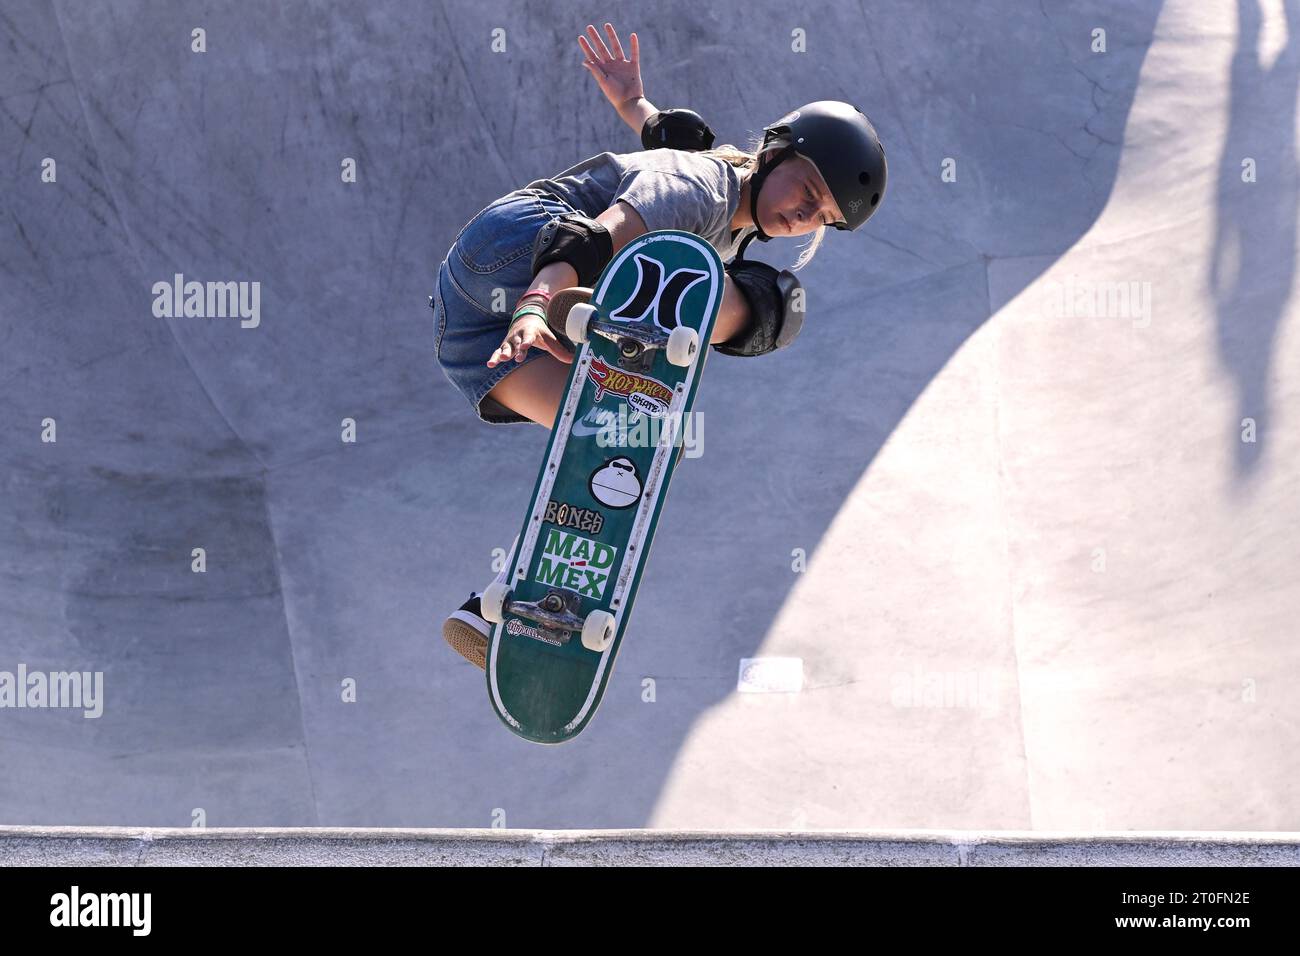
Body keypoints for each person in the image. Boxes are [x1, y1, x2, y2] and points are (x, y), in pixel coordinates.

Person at [438, 23, 888, 669]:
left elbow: (670, 140)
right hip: (515, 249)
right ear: (777, 152)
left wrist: (632, 105)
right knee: (768, 303)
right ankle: (597, 319)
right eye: (806, 193)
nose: (803, 216)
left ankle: (496, 603)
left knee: (628, 438)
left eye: (822, 218)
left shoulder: (715, 183)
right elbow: (592, 237)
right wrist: (540, 304)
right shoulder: (701, 188)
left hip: (471, 337)